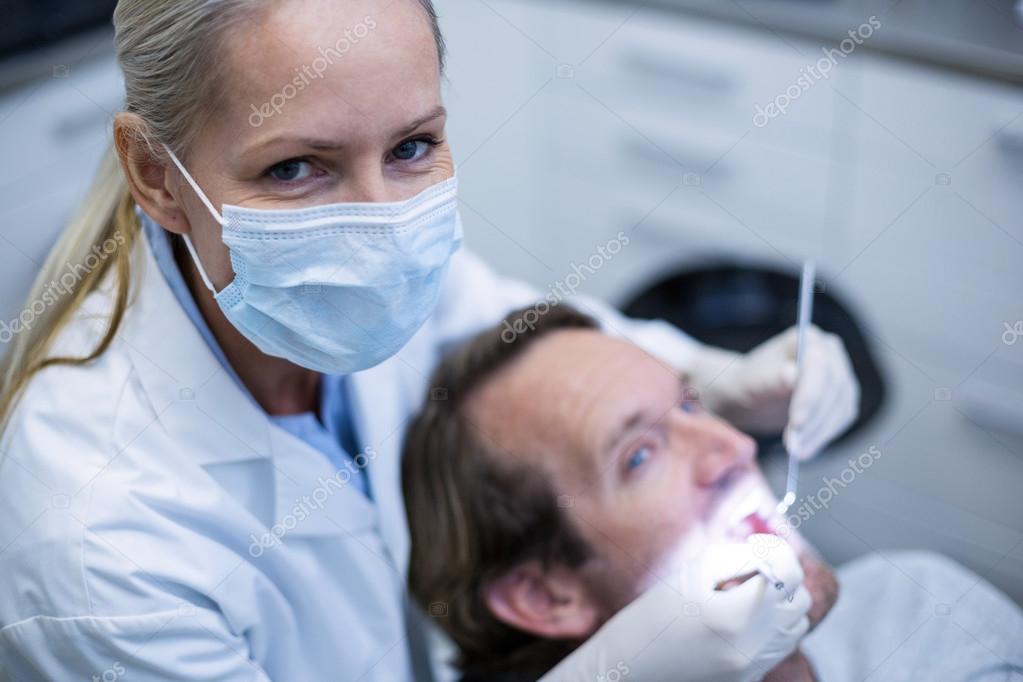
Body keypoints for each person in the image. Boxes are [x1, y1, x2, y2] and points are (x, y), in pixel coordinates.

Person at [0, 1, 861, 679]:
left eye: (412, 146)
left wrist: (709, 377)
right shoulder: (99, 548)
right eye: (294, 169)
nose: (380, 225)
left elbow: (506, 340)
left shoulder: (367, 262)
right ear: (156, 175)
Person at [402, 305, 1023, 682]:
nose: (736, 446)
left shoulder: (923, 603)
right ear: (547, 595)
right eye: (639, 455)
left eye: (691, 404)